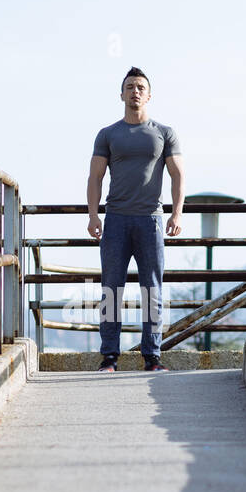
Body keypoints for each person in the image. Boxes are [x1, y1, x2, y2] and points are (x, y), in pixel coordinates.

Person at [87, 66, 185, 371]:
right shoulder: (108, 134)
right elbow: (95, 177)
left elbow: (178, 174)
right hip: (115, 219)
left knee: (152, 289)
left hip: (151, 220)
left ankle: (152, 357)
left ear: (149, 94)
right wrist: (93, 216)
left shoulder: (164, 133)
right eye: (130, 87)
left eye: (140, 87)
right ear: (121, 94)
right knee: (111, 289)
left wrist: (177, 212)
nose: (135, 91)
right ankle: (109, 357)